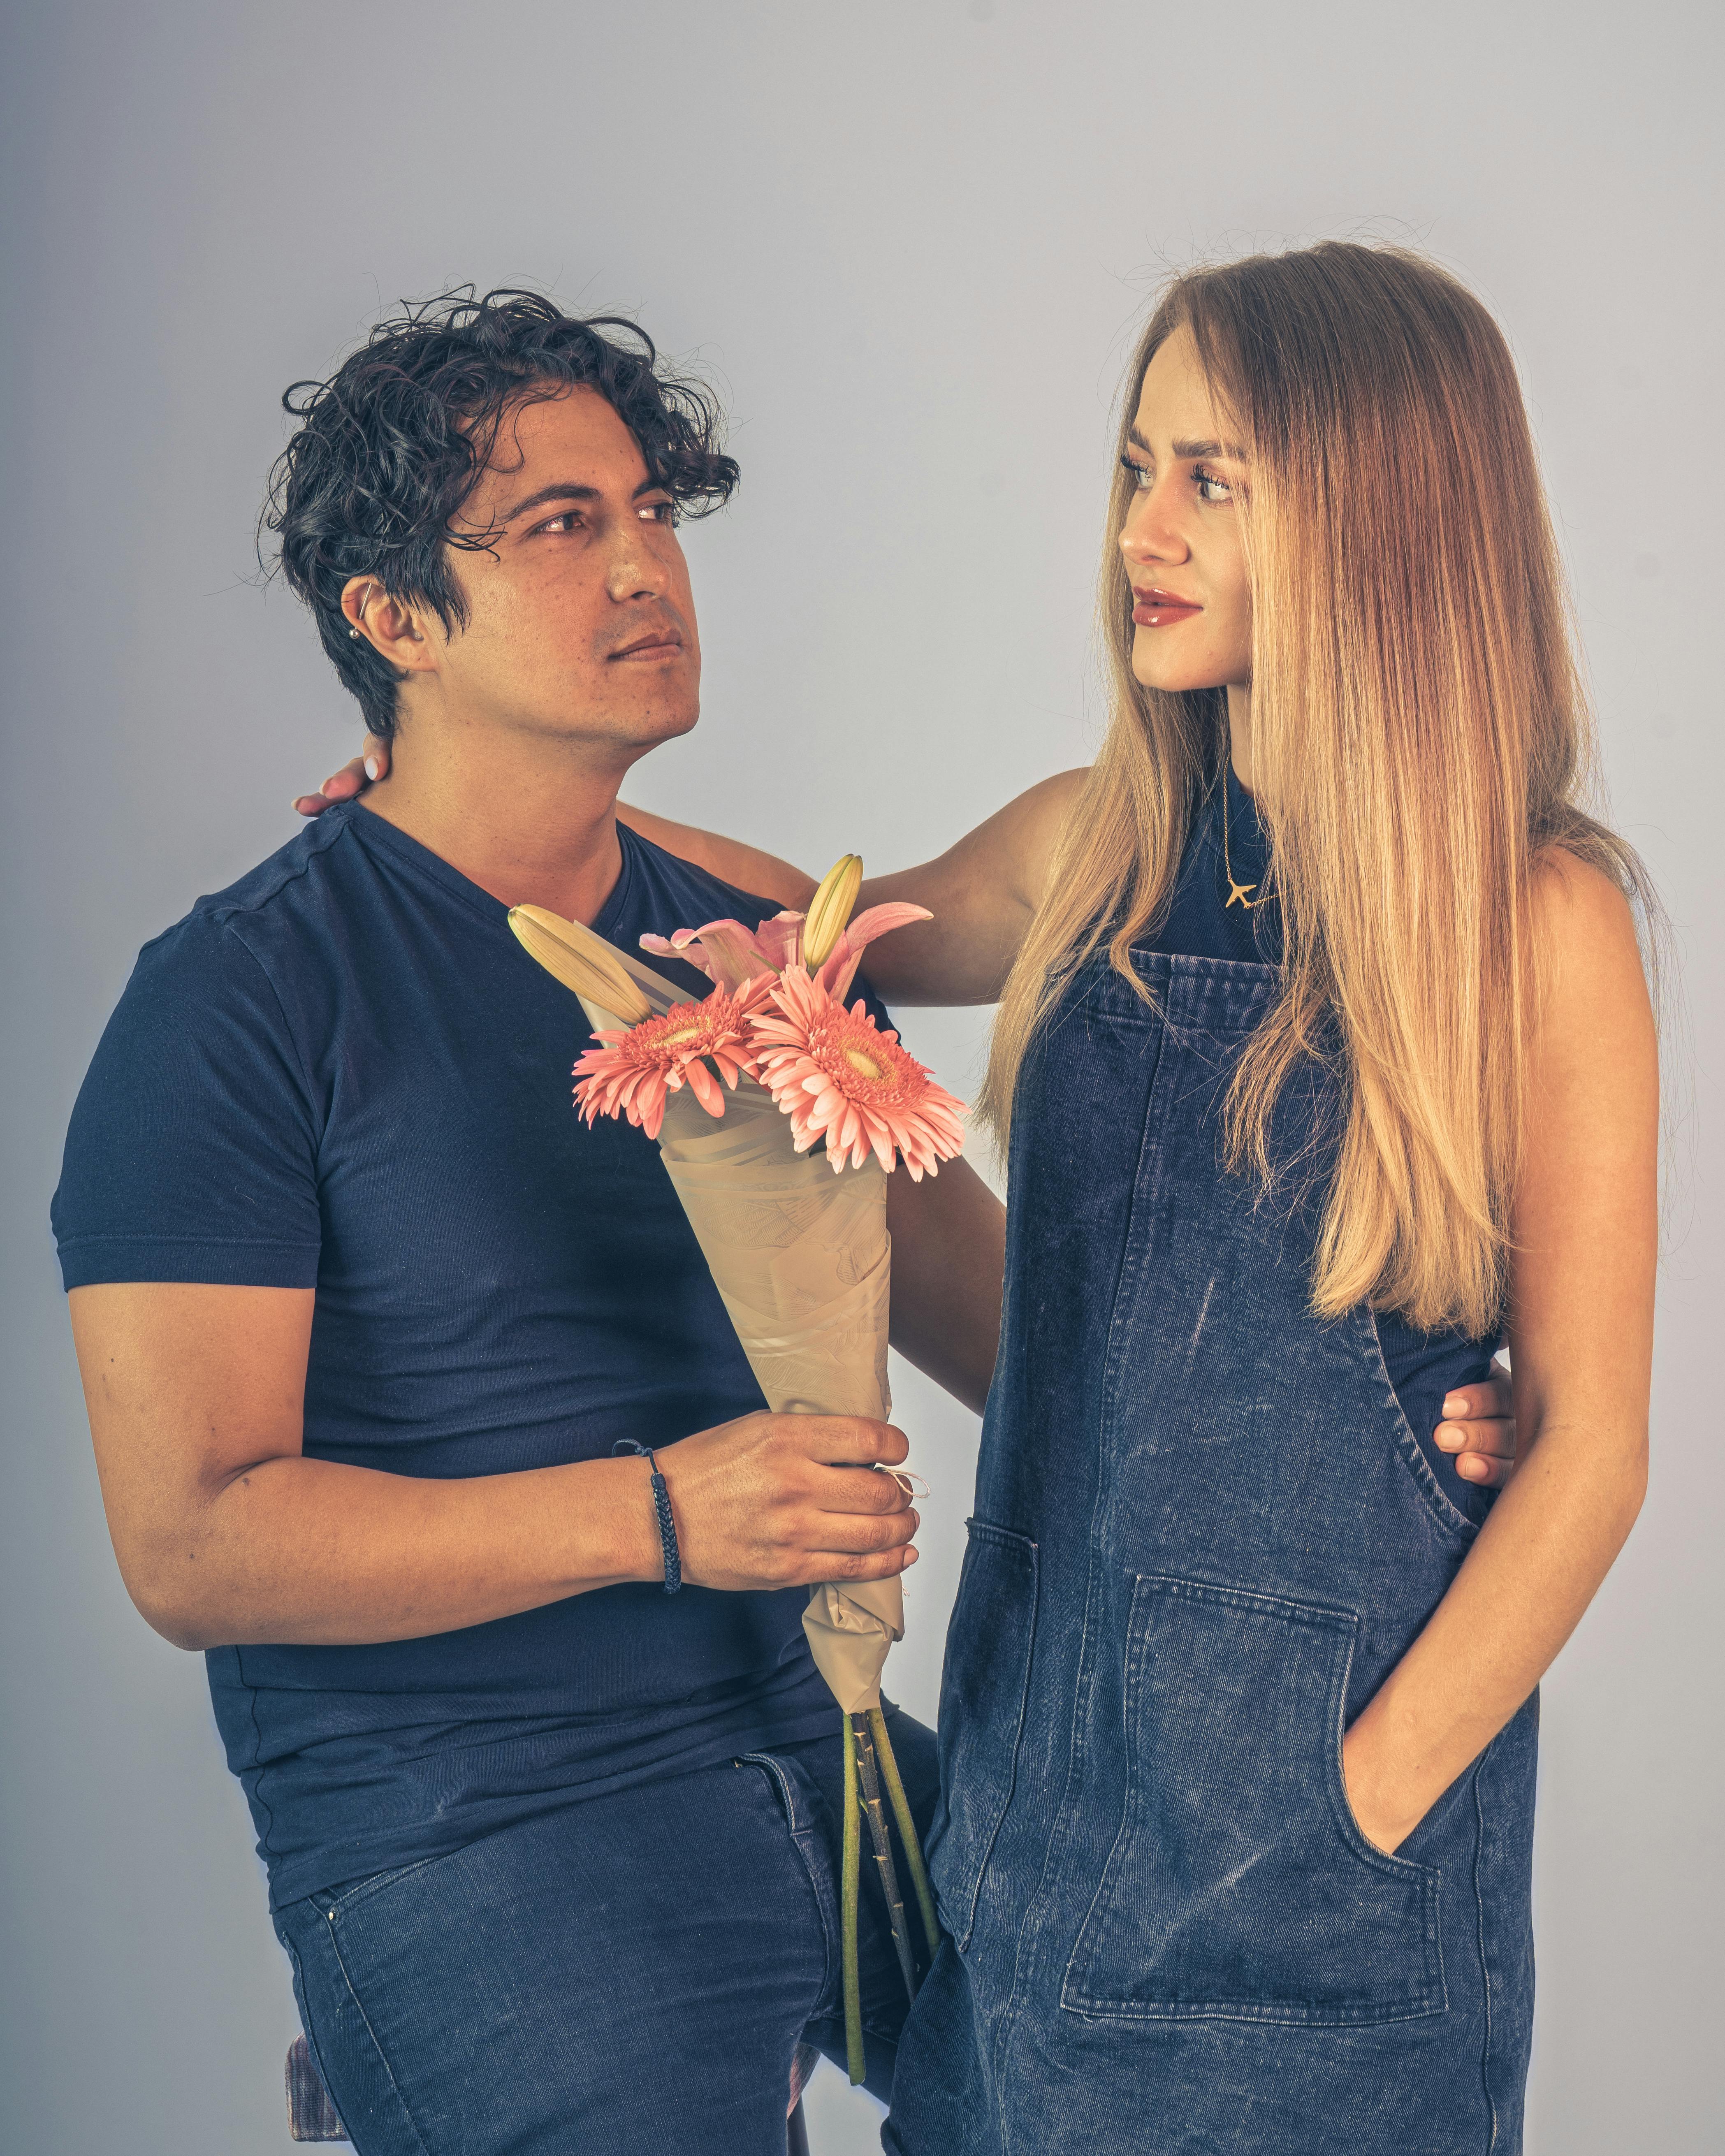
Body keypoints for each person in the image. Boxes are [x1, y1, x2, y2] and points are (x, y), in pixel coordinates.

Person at [65, 287, 1512, 2156]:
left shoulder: (759, 961)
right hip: (494, 1831)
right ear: (392, 619)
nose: (642, 564)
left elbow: (1058, 1359)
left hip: (828, 1767)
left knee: (1184, 2064)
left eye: (652, 508)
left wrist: (1425, 1405)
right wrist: (667, 1512)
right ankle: (426, 2032)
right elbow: (196, 1545)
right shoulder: (241, 1003)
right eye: (558, 525)